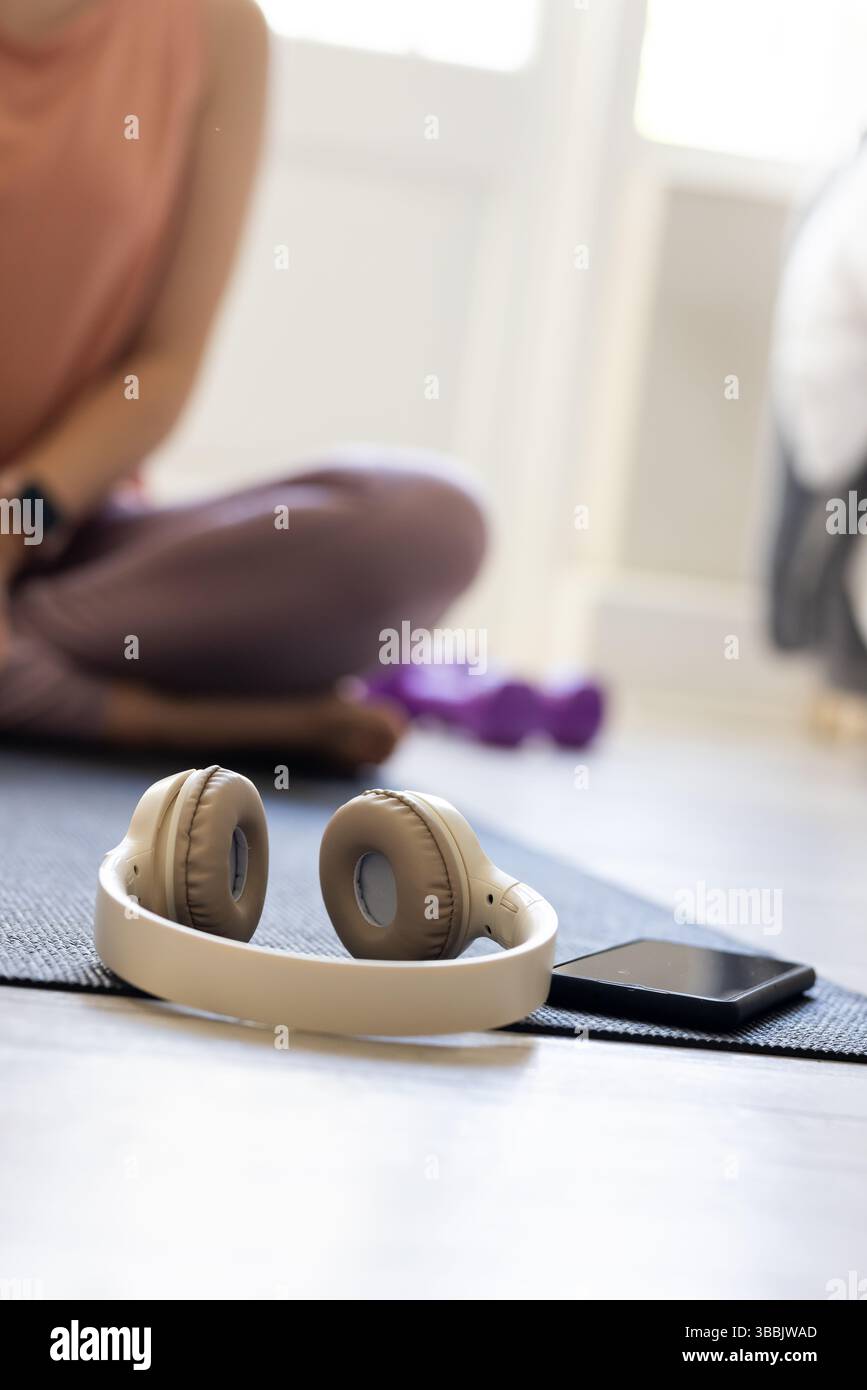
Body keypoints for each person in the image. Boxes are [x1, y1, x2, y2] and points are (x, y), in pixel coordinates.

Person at [0, 0, 486, 767]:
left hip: (70, 537)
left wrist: (20, 515)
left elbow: (163, 366)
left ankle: (21, 663)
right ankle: (178, 721)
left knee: (429, 523)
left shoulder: (215, 28)